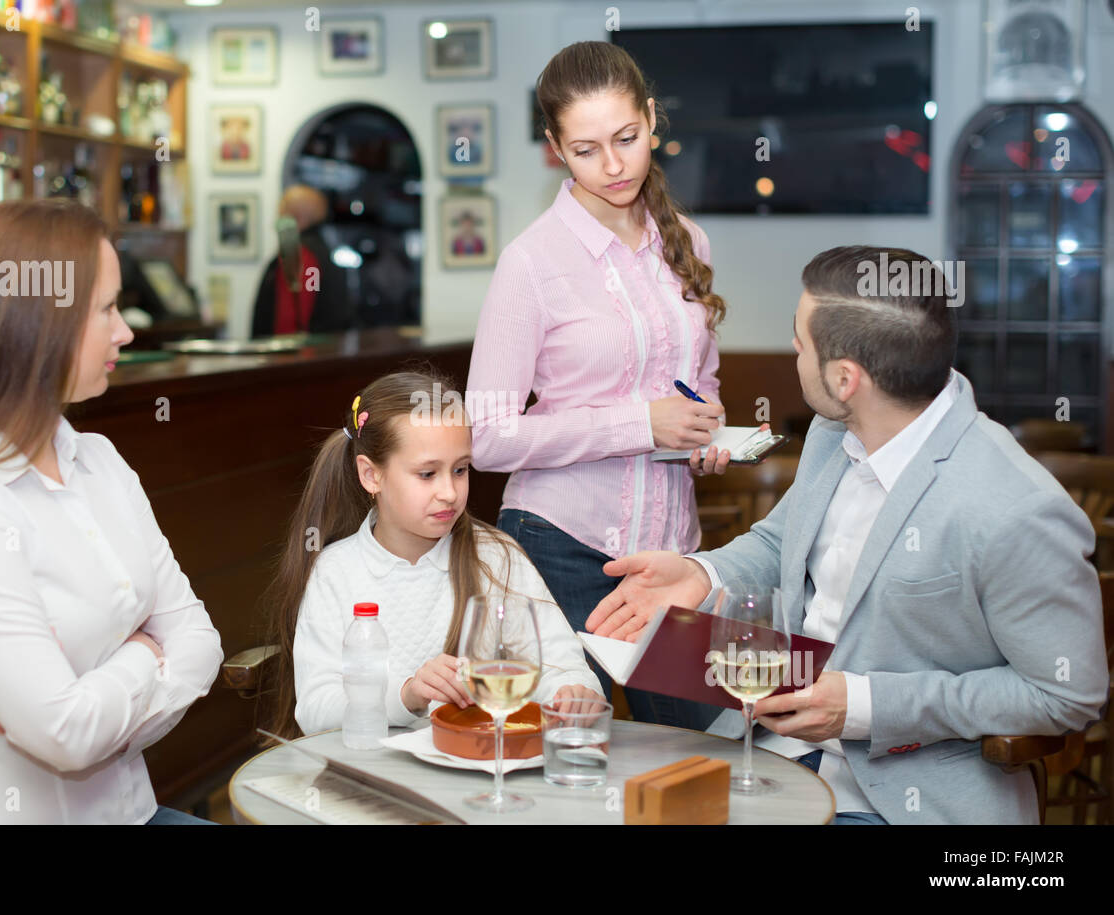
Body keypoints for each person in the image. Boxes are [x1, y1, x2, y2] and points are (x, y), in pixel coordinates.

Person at [586, 245, 1109, 824]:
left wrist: (864, 708)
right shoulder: (834, 430)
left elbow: (1066, 695)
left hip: (903, 803)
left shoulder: (1016, 507)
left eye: (800, 340)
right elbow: (782, 543)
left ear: (845, 378)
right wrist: (703, 572)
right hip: (763, 758)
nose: (791, 349)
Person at [0, 199, 224, 825]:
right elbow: (64, 737)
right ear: (37, 321)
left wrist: (108, 707)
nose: (127, 331)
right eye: (107, 308)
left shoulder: (100, 461)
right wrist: (145, 658)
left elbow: (202, 642)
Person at [467, 41, 732, 729]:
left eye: (627, 138)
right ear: (555, 147)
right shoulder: (530, 263)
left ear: (652, 119)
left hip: (671, 556)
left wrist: (707, 428)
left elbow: (697, 382)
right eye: (586, 149)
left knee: (690, 764)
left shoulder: (690, 241)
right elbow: (488, 434)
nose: (614, 166)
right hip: (560, 544)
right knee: (562, 764)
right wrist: (642, 424)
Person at [266, 370, 603, 737]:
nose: (449, 492)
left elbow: (560, 664)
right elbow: (315, 710)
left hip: (476, 770)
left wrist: (574, 691)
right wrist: (406, 695)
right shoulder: (336, 572)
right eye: (427, 474)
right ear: (371, 476)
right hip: (372, 777)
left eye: (460, 470)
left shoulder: (498, 558)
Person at [251, 184, 353, 338]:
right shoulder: (321, 250)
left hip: (295, 356)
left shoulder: (298, 254)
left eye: (282, 211)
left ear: (295, 216)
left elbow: (289, 315)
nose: (276, 219)